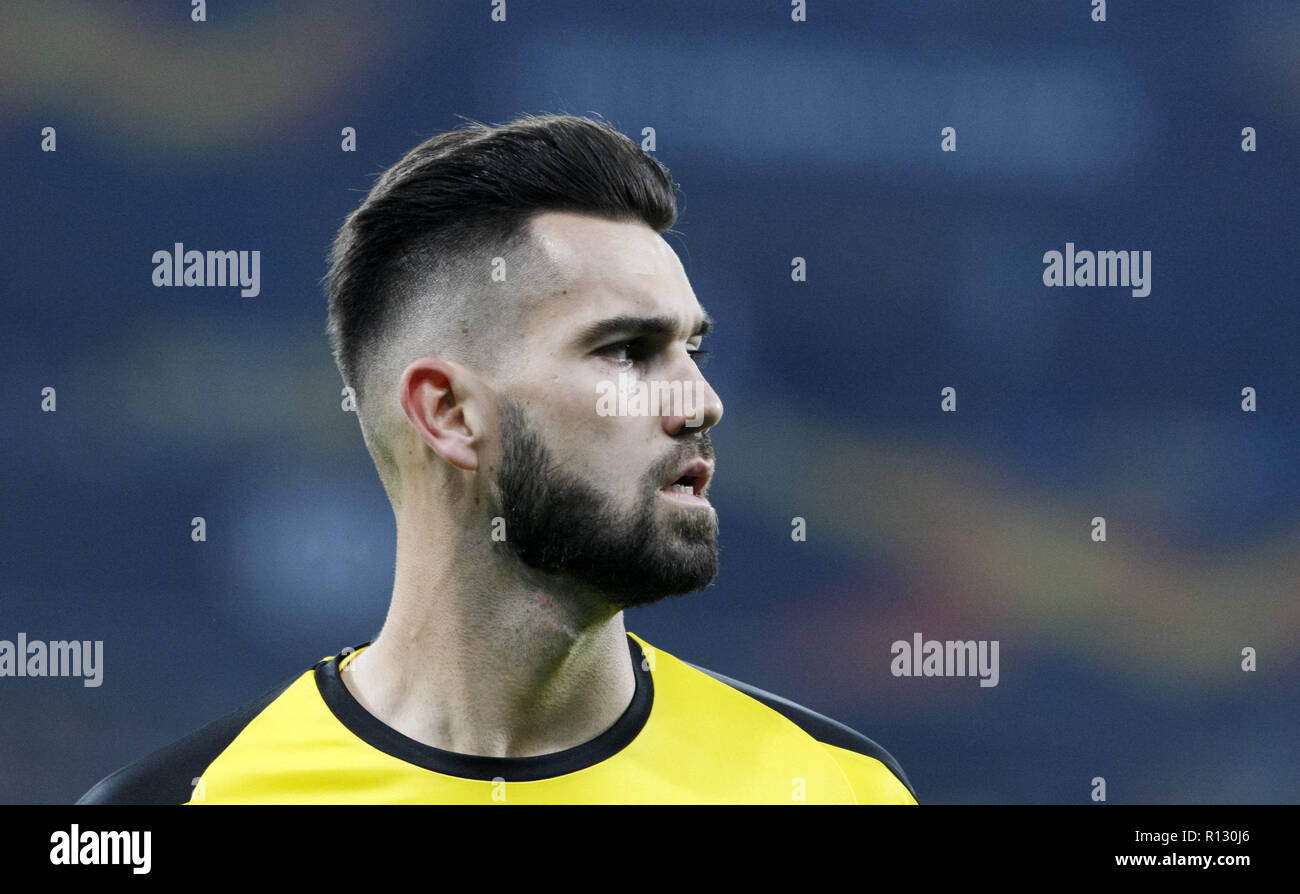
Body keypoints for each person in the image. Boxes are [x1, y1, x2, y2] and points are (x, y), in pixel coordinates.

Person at [77, 113, 917, 804]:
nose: (701, 401)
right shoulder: (167, 810)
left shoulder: (838, 788)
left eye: (693, 349)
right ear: (447, 413)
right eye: (628, 351)